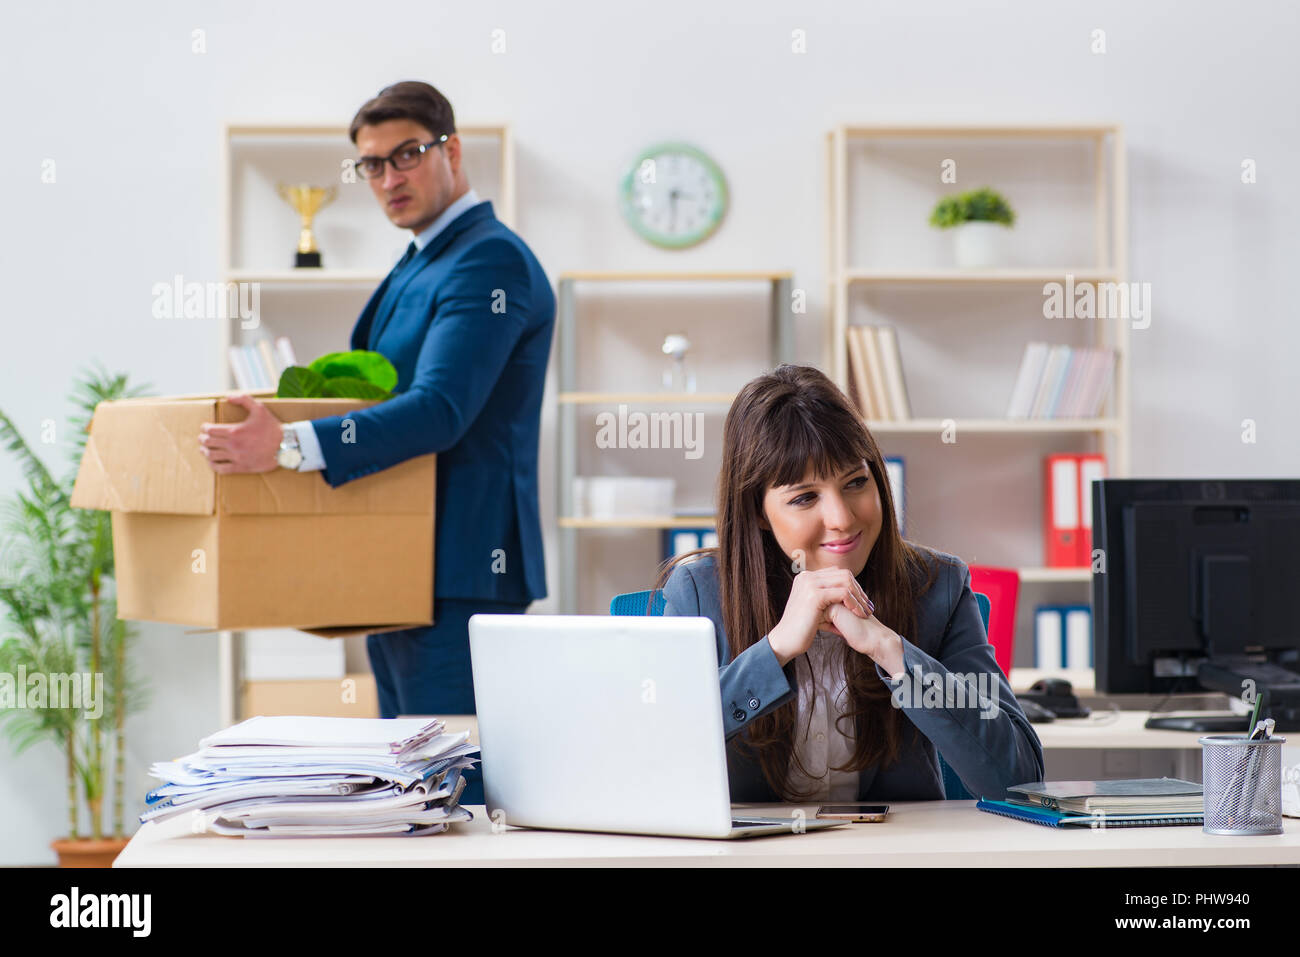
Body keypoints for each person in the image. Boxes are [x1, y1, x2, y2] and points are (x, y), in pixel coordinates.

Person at [197, 82, 555, 805]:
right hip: (398, 562)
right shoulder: (424, 257)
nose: (389, 178)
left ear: (452, 151)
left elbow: (441, 409)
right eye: (371, 165)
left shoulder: (488, 261)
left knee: (454, 795)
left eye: (407, 155)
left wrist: (289, 446)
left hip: (461, 569)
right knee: (406, 787)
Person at [656, 364, 1044, 802]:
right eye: (804, 498)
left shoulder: (939, 587)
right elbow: (655, 754)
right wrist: (775, 650)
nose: (842, 519)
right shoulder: (699, 591)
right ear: (759, 513)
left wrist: (893, 653)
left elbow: (1018, 781)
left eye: (856, 482)